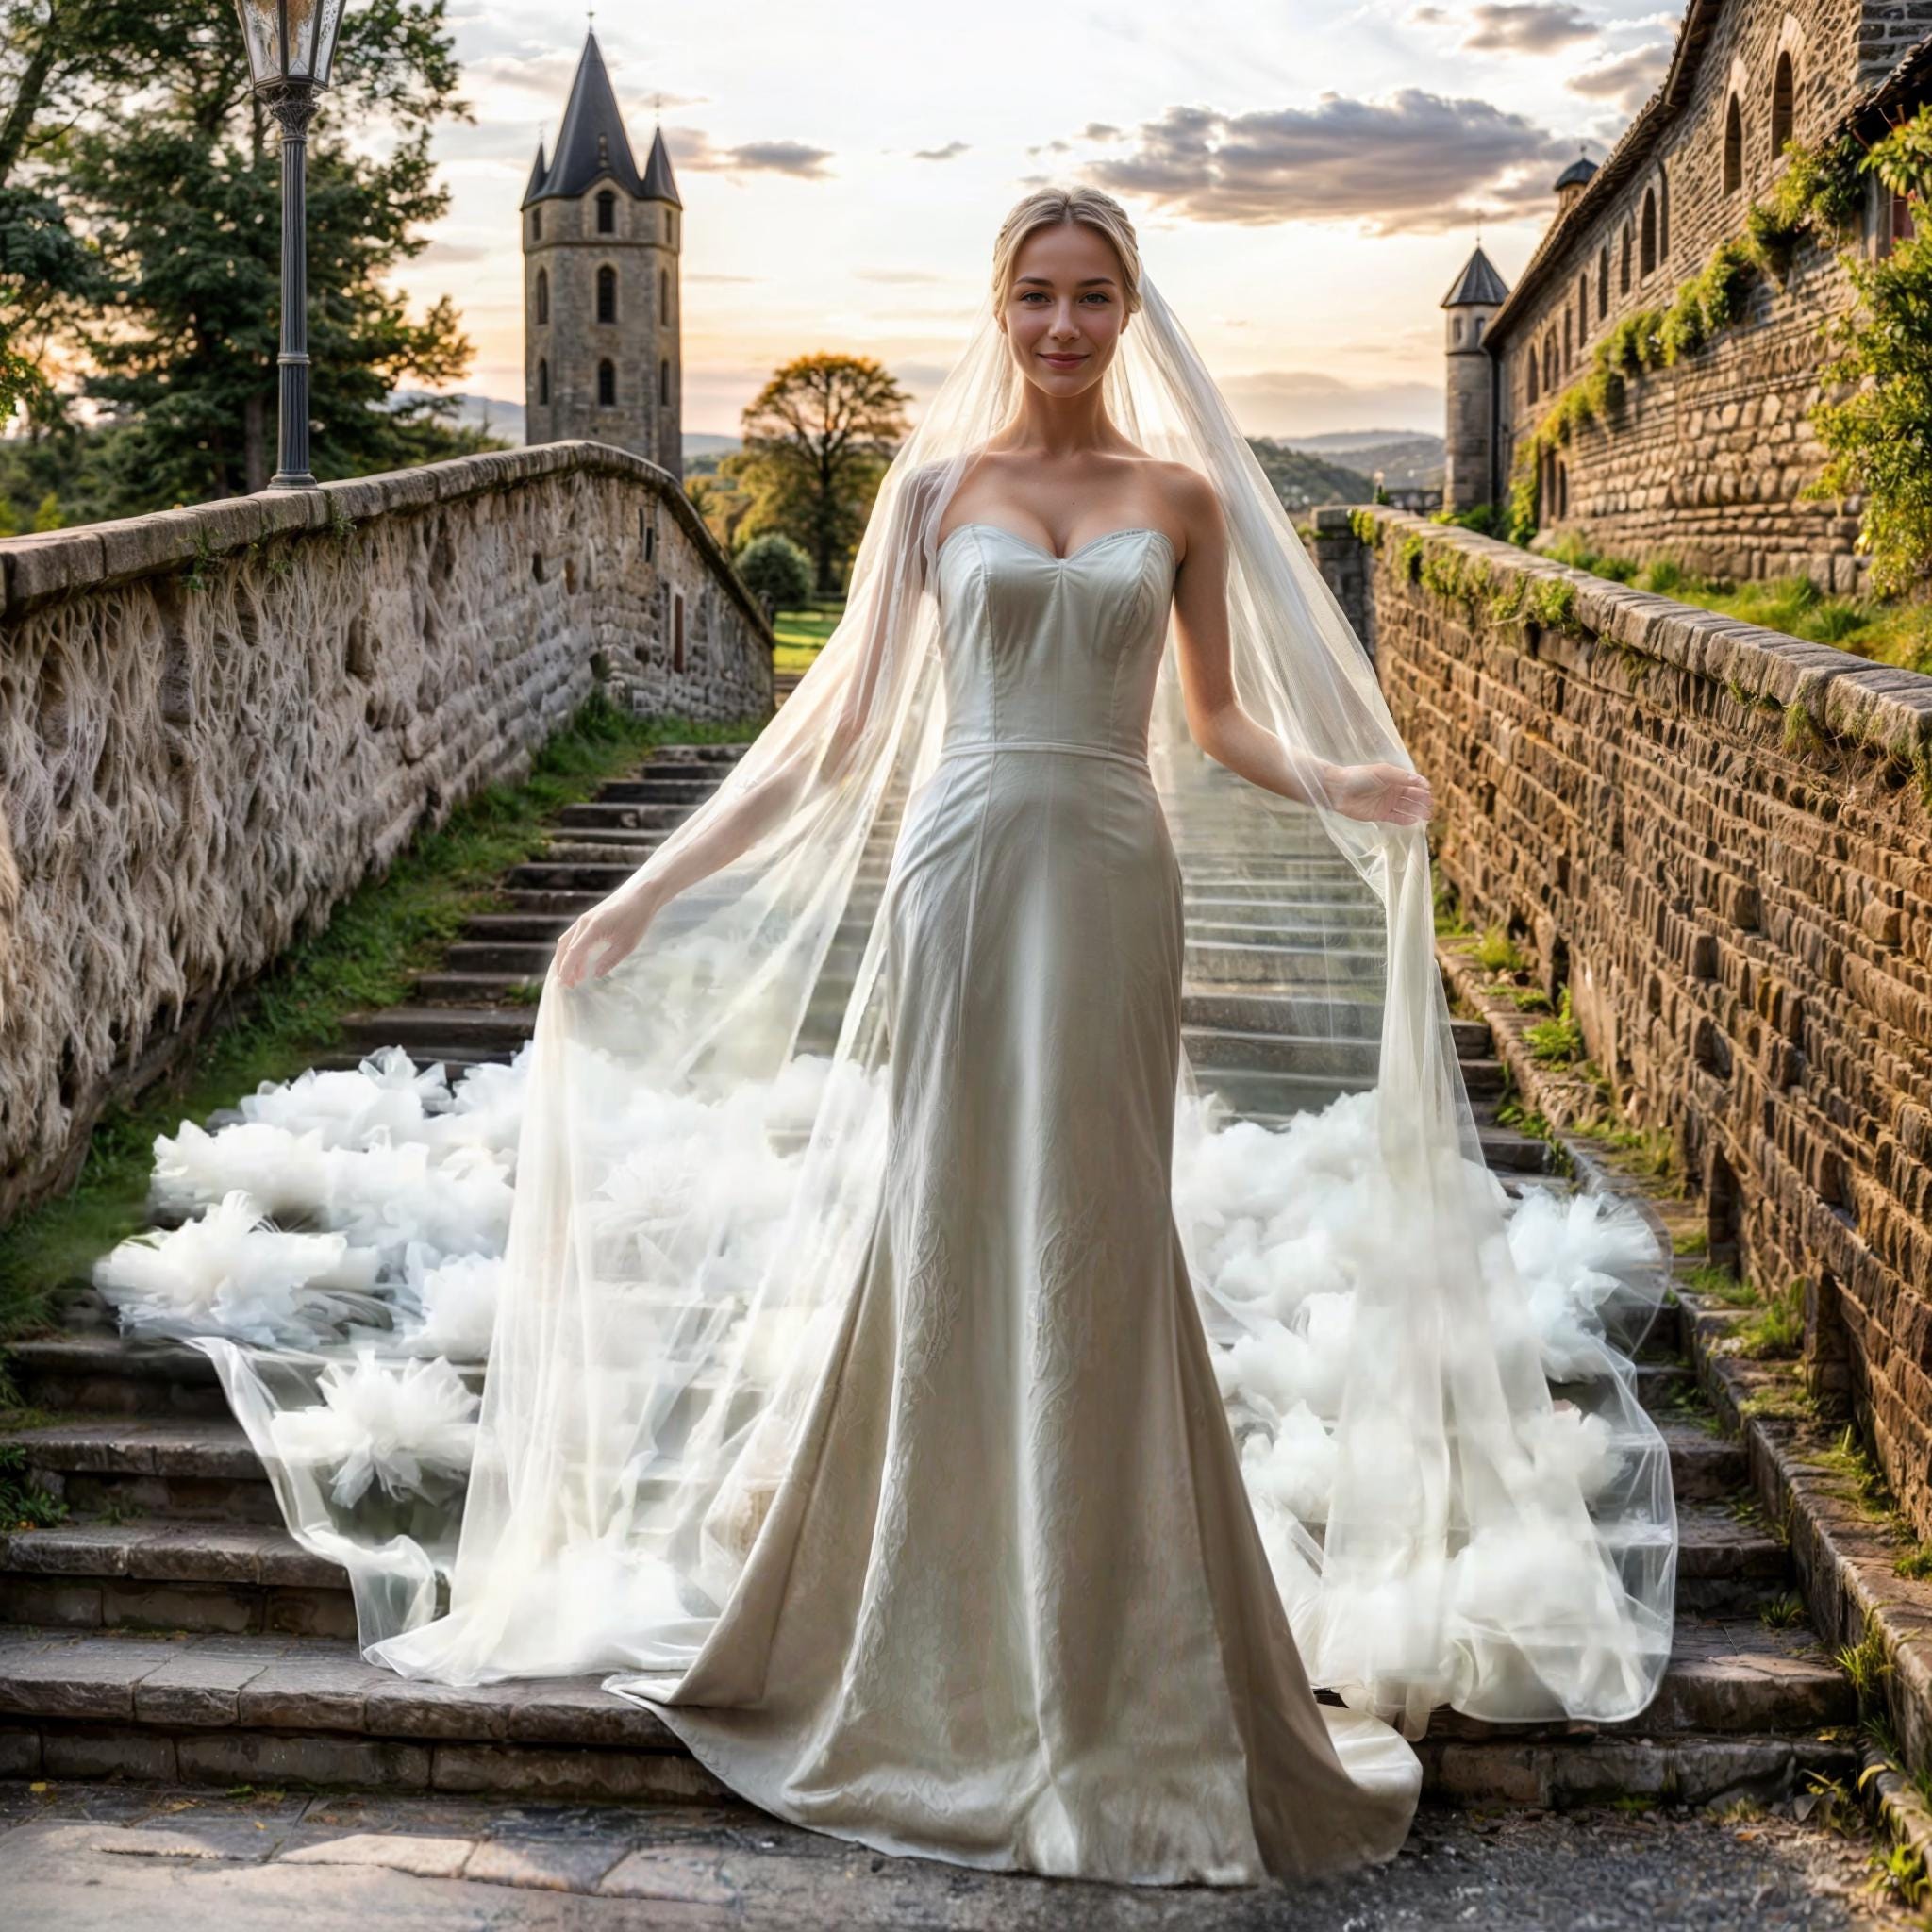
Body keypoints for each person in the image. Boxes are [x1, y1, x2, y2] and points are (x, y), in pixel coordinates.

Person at [131, 186, 1676, 1892]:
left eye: (1095, 297)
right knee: (950, 1219)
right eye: (1039, 296)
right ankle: (928, 1633)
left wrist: (1345, 784)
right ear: (1000, 307)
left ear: (1132, 308)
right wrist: (641, 896)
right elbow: (833, 731)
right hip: (961, 873)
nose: (1067, 327)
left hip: (1109, 874)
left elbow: (1220, 720)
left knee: (1099, 1230)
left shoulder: (1178, 497)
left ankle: (1115, 1645)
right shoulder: (936, 491)